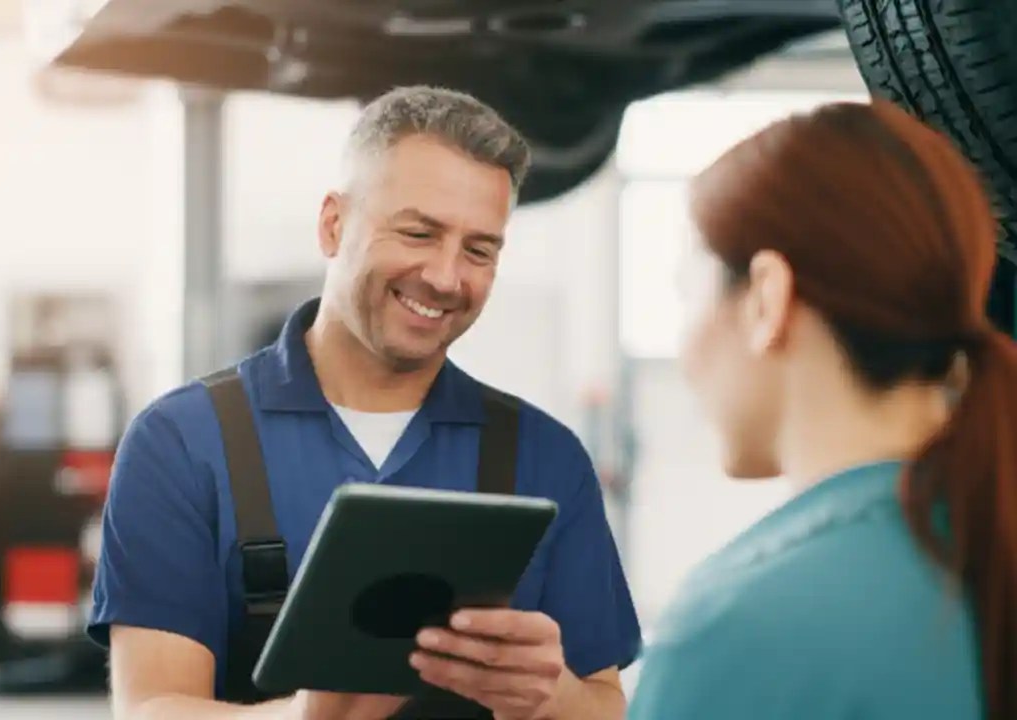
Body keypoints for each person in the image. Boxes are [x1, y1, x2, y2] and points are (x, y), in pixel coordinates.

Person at [90, 85, 641, 720]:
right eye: (417, 233)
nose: (444, 276)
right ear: (333, 224)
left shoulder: (544, 458)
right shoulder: (183, 444)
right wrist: (305, 718)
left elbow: (606, 707)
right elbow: (151, 707)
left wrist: (553, 697)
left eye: (479, 250)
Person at [628, 99, 1016, 720]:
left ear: (766, 298)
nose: (686, 352)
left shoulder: (742, 627)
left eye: (686, 292)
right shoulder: (982, 546)